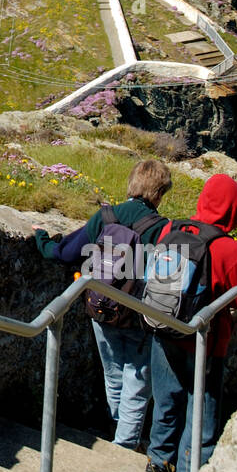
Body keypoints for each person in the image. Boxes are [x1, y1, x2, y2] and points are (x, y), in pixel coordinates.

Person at [35, 160, 173, 451]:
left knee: (113, 375)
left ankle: (117, 431)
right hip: (138, 315)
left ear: (132, 184)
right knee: (137, 380)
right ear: (159, 193)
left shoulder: (106, 216)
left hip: (101, 307)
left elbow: (64, 253)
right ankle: (123, 446)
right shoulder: (163, 229)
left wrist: (41, 237)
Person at [145, 174, 237, 472]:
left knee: (166, 402)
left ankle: (157, 464)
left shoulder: (172, 228)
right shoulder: (228, 248)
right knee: (202, 416)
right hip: (205, 343)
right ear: (234, 211)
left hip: (164, 327)